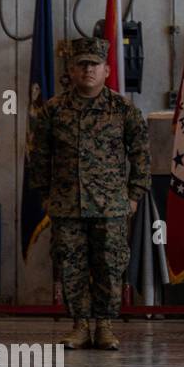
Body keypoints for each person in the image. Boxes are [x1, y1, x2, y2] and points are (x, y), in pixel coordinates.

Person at [29, 37, 150, 350]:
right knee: (71, 265)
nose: (88, 70)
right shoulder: (53, 110)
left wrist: (134, 194)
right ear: (72, 69)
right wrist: (45, 193)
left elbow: (140, 155)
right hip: (67, 204)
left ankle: (105, 326)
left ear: (107, 70)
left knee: (110, 266)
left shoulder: (123, 109)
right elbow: (39, 155)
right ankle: (80, 325)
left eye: (94, 65)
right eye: (82, 64)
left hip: (110, 205)